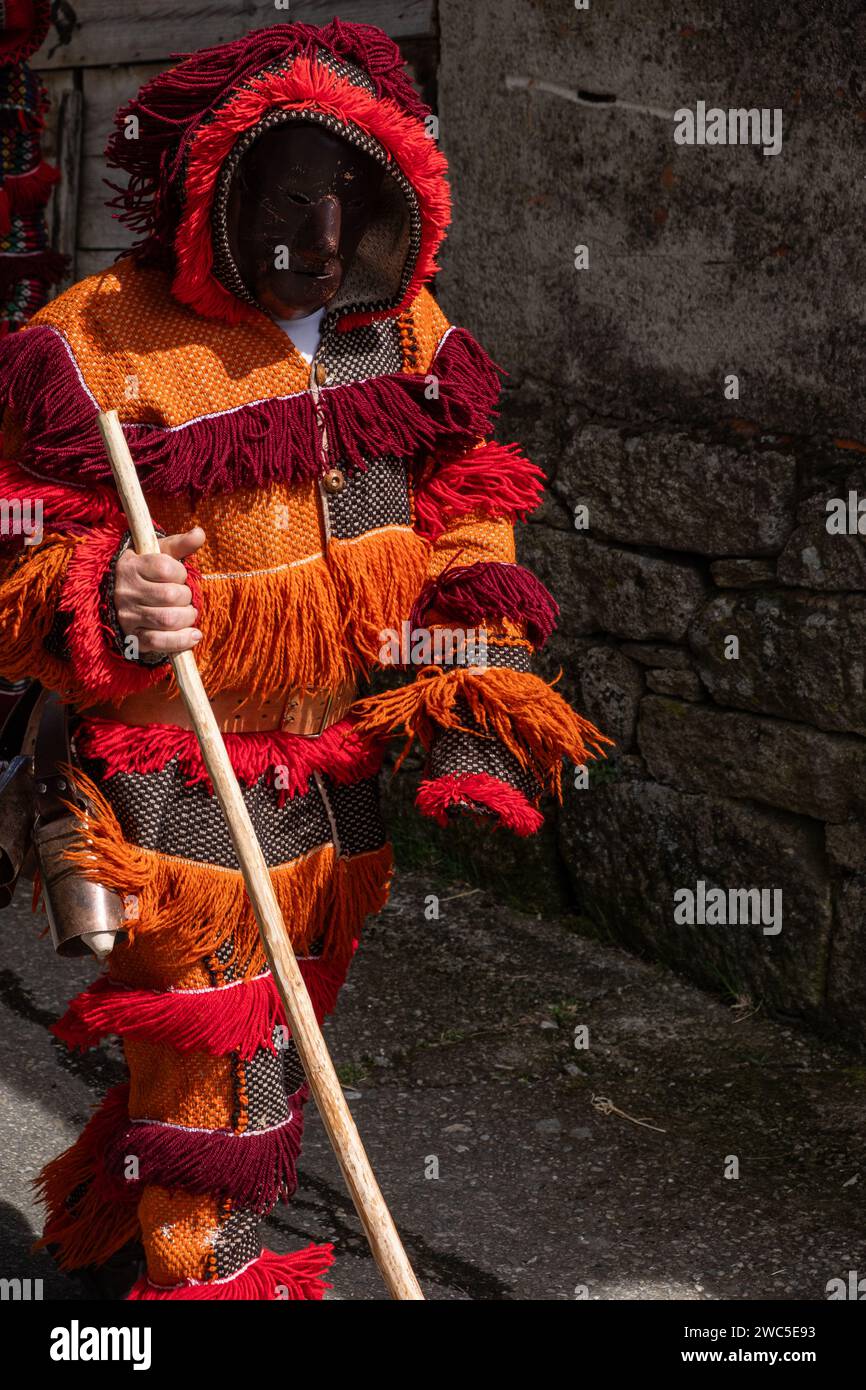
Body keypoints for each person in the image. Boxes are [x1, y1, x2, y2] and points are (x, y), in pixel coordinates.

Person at [0, 18, 610, 1300]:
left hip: (328, 785)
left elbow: (466, 513)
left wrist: (464, 710)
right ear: (218, 190)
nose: (323, 246)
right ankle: (199, 1290)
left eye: (357, 208)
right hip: (167, 775)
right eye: (289, 204)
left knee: (262, 1052)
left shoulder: (403, 333)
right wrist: (101, 591)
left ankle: (103, 1253)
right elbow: (11, 537)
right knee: (219, 1068)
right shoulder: (93, 340)